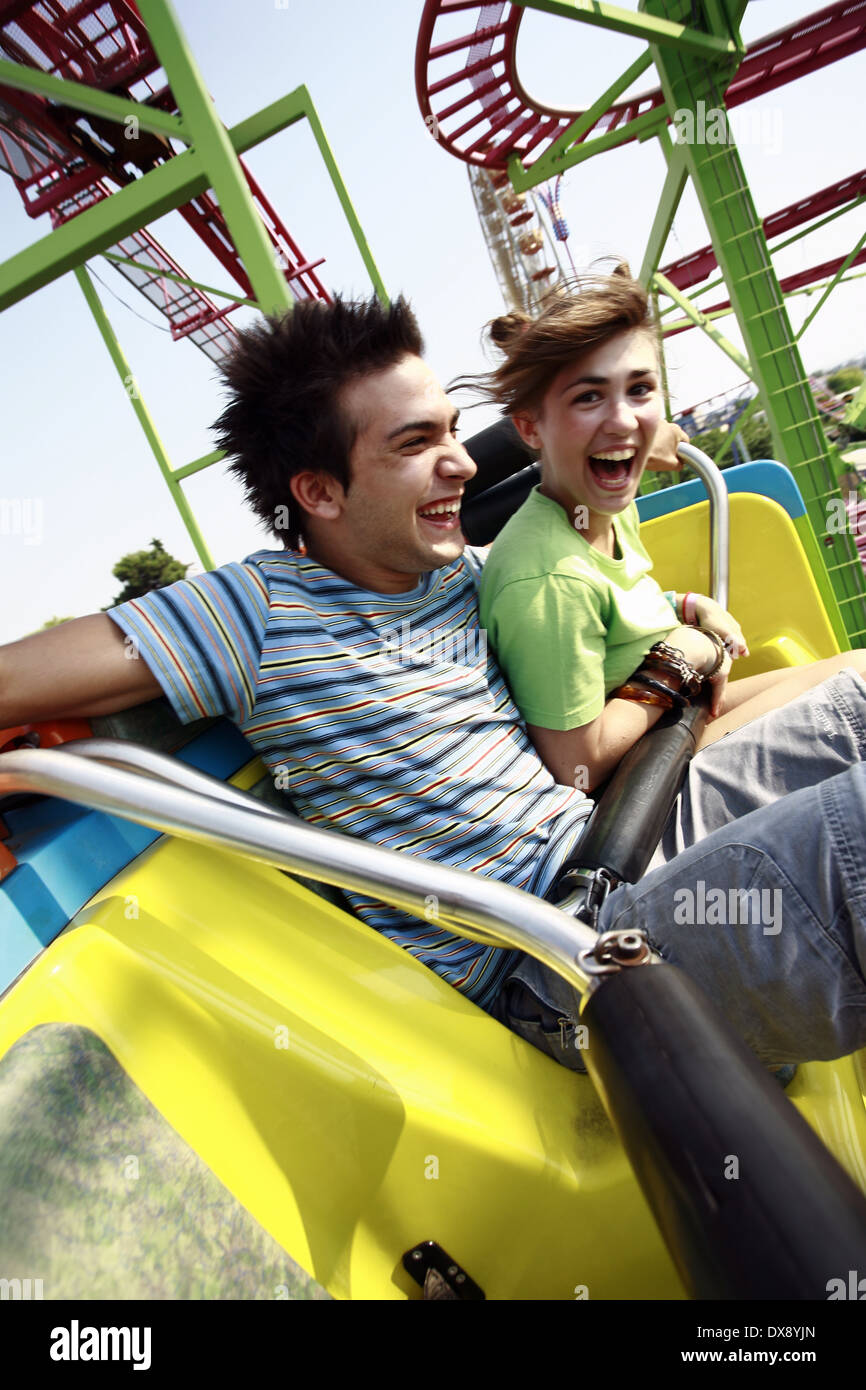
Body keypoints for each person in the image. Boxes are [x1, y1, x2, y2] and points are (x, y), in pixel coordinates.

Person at [1, 295, 865, 1077]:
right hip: (566, 955)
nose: (460, 465)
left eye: (453, 432)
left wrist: (684, 607)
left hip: (634, 826)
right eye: (416, 445)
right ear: (318, 492)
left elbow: (584, 585)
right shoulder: (256, 609)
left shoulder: (457, 574)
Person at [474, 263, 866, 792]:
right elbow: (578, 767)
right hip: (646, 779)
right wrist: (685, 654)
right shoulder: (548, 579)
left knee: (858, 668)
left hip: (679, 720)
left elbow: (612, 617)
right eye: (587, 397)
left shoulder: (607, 503)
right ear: (528, 427)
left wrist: (684, 605)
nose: (622, 420)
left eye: (639, 390)